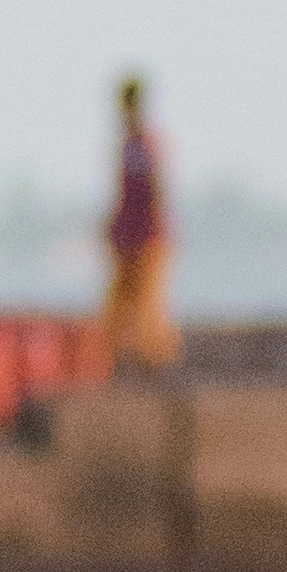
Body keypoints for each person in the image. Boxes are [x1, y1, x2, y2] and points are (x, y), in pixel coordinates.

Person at [100, 72, 179, 373]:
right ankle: (120, 365)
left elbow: (155, 191)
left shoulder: (146, 143)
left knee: (148, 307)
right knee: (119, 306)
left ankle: (155, 366)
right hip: (127, 235)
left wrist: (152, 231)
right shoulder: (127, 144)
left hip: (147, 237)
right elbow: (122, 193)